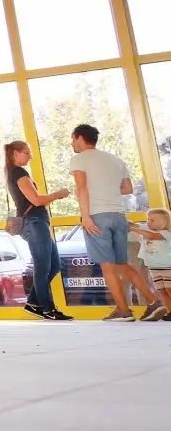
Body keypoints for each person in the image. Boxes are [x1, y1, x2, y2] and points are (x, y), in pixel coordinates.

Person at [69, 124, 158, 321]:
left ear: (80, 137)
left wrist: (86, 216)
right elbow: (127, 189)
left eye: (73, 139)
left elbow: (82, 189)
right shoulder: (115, 160)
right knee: (121, 264)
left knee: (108, 268)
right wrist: (106, 188)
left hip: (97, 216)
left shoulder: (79, 159)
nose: (72, 143)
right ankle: (154, 300)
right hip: (118, 215)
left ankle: (124, 311)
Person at [3, 140, 73, 321]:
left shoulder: (15, 173)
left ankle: (34, 302)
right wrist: (58, 194)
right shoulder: (19, 172)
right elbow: (36, 200)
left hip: (38, 222)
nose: (30, 156)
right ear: (15, 153)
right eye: (26, 153)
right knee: (42, 267)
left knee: (54, 265)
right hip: (34, 223)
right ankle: (48, 309)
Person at [128, 208, 171, 321]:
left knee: (169, 289)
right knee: (162, 290)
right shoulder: (147, 229)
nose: (148, 222)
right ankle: (170, 311)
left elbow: (152, 236)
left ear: (163, 222)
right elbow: (137, 226)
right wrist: (127, 223)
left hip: (167, 267)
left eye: (152, 220)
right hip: (154, 268)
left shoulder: (166, 233)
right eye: (148, 219)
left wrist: (133, 229)